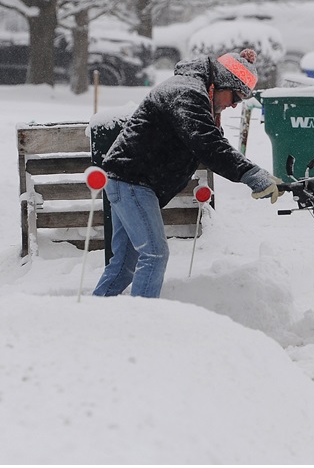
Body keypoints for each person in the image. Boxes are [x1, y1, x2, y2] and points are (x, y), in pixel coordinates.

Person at [92, 48, 281, 298]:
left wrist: (257, 174)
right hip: (132, 182)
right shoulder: (186, 92)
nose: (234, 105)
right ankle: (140, 324)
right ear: (222, 83)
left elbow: (213, 143)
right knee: (155, 255)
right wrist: (251, 174)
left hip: (127, 180)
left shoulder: (196, 93)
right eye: (235, 97)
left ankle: (93, 316)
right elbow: (209, 145)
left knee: (124, 266)